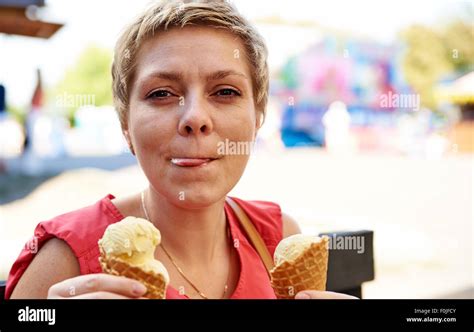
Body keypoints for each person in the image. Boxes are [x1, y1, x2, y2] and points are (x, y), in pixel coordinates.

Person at [6, 0, 355, 300]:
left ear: (258, 115)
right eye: (161, 93)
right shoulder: (64, 258)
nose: (195, 118)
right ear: (125, 124)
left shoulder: (278, 238)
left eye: (225, 92)